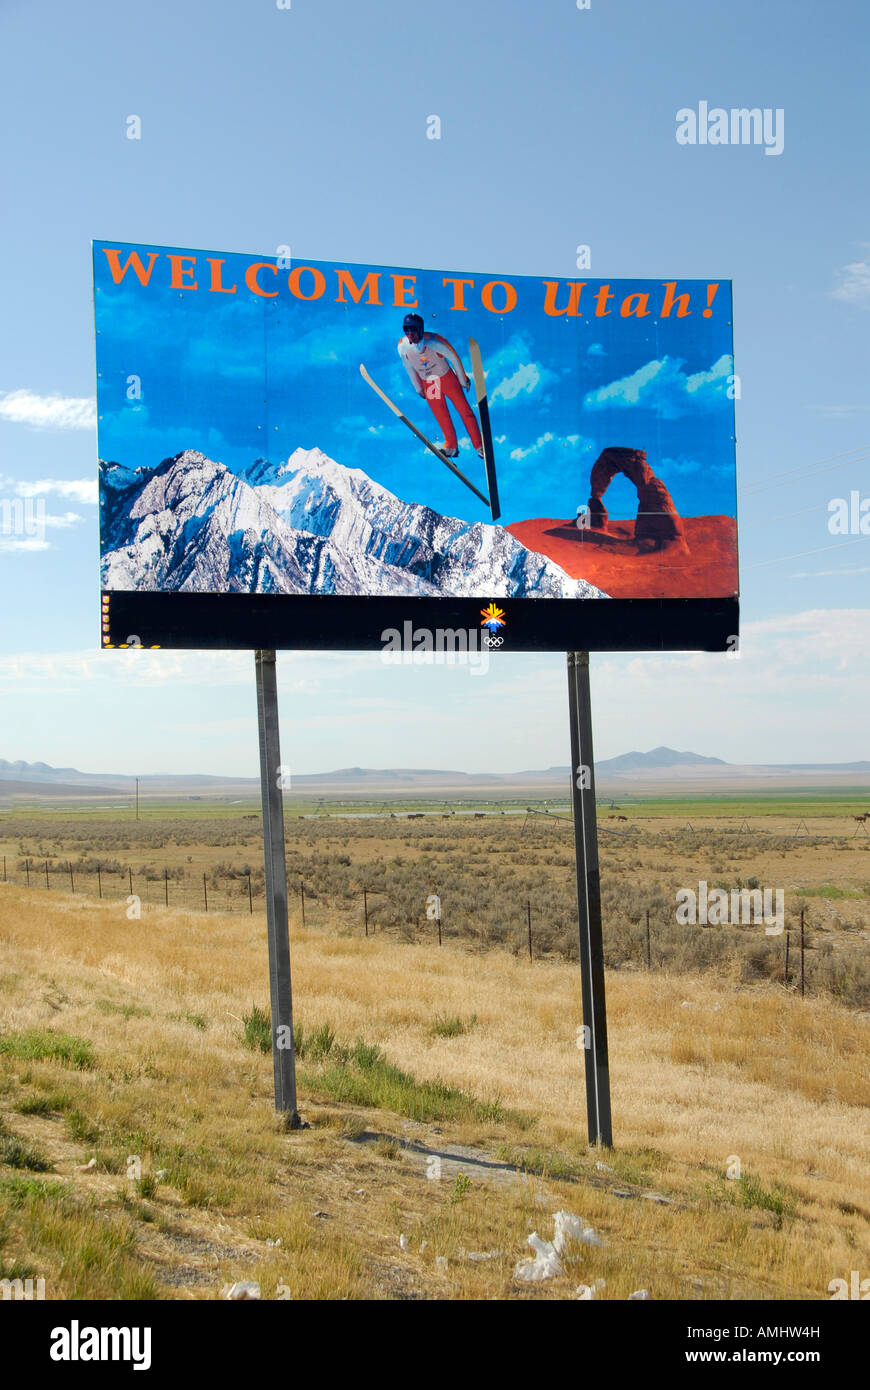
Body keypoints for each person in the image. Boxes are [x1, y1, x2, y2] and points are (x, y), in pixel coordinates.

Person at [398, 313, 483, 459]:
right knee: (441, 415)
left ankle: (479, 445)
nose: (410, 334)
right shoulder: (403, 347)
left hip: (447, 379)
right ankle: (451, 446)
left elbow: (454, 358)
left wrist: (463, 380)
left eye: (413, 329)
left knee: (464, 411)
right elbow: (409, 368)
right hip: (430, 382)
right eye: (406, 330)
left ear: (420, 329)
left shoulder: (435, 342)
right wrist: (418, 388)